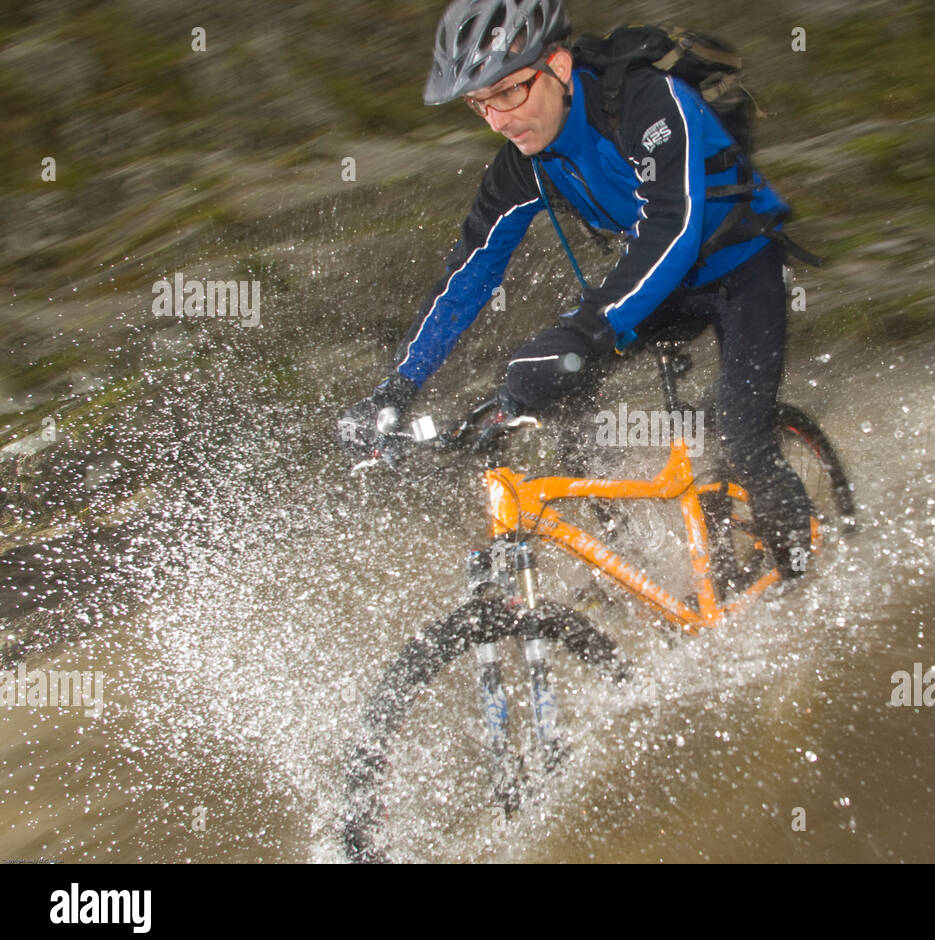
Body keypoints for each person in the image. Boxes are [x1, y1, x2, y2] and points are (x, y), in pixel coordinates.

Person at [339, 0, 815, 577]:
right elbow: (469, 274)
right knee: (549, 387)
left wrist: (588, 326)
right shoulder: (524, 162)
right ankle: (626, 563)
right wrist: (399, 386)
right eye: (479, 104)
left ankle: (807, 588)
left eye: (509, 92)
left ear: (559, 67)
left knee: (744, 437)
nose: (499, 120)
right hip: (659, 285)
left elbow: (675, 227)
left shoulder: (647, 101)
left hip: (741, 269)